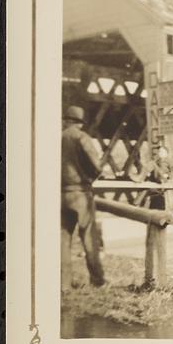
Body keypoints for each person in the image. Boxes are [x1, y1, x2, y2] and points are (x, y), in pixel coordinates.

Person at [61, 105, 105, 290]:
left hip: (60, 195)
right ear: (80, 122)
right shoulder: (81, 137)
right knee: (89, 238)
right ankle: (97, 281)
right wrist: (90, 179)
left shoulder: (56, 137)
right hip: (81, 195)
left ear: (66, 120)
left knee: (63, 240)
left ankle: (63, 284)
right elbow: (97, 167)